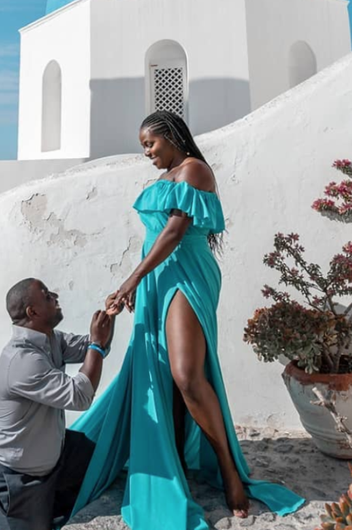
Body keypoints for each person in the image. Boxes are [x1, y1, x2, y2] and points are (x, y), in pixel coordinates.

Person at [67, 111, 304, 530]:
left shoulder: (194, 169)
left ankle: (230, 471)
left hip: (186, 272)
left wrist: (129, 281)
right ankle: (173, 461)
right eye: (143, 146)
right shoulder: (167, 177)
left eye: (151, 143)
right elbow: (154, 236)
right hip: (157, 276)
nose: (146, 152)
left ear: (171, 137)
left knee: (186, 374)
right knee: (160, 373)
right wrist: (140, 281)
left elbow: (175, 231)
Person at [0, 278, 115, 530]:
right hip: (16, 478)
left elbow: (94, 346)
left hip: (52, 457)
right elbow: (80, 396)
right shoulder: (22, 360)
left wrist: (109, 314)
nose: (55, 296)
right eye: (47, 295)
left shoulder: (50, 339)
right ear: (33, 312)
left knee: (101, 459)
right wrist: (96, 344)